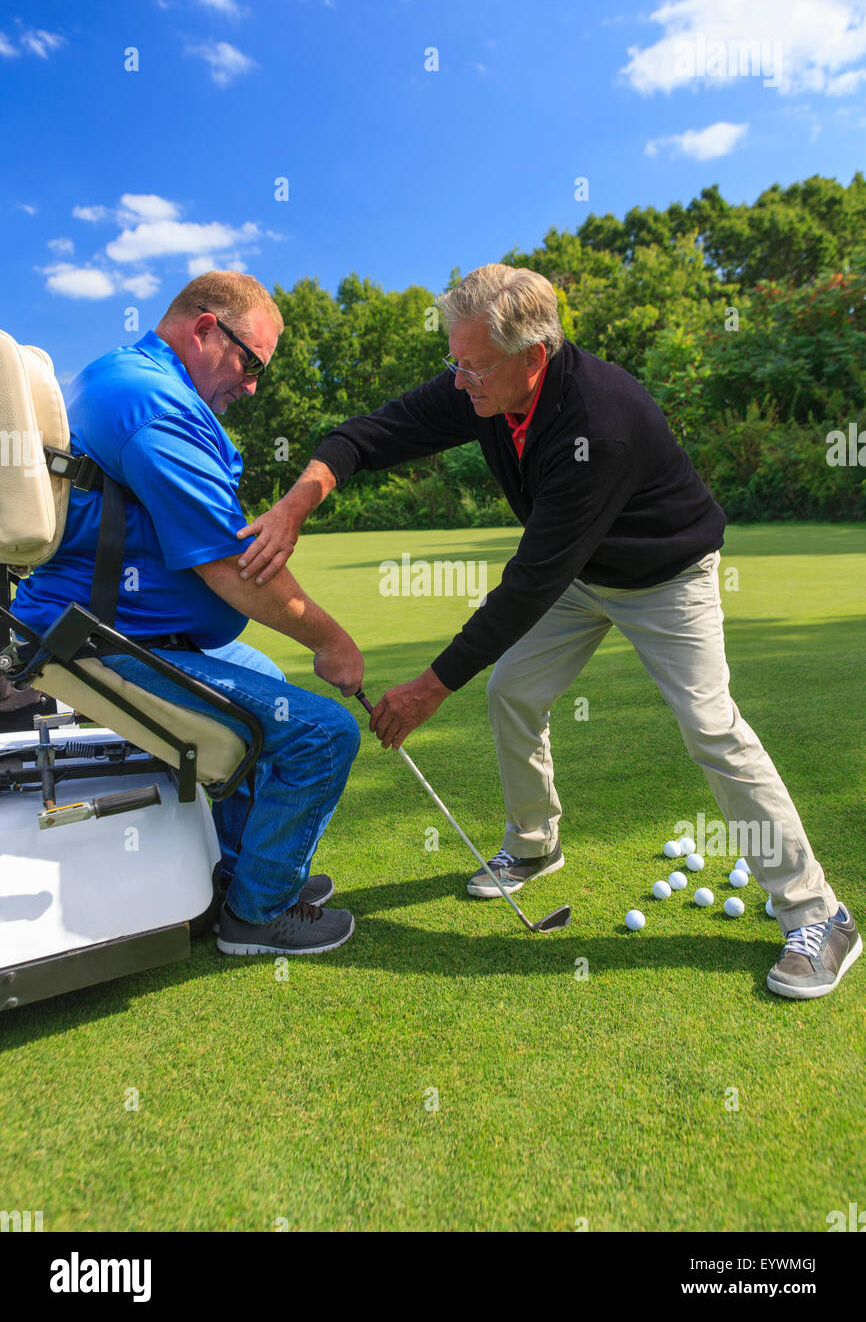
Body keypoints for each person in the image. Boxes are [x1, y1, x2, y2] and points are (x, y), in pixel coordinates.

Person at [233, 263, 861, 999]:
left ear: (533, 356)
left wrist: (430, 688)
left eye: (473, 364)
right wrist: (296, 505)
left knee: (710, 727)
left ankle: (819, 911)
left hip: (666, 576)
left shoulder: (601, 421)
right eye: (453, 360)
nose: (459, 379)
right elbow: (369, 435)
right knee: (513, 693)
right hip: (579, 573)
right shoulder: (479, 384)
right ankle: (534, 847)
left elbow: (528, 581)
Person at [12, 272, 363, 957]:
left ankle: (243, 872)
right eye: (250, 363)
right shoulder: (155, 406)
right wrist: (332, 641)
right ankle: (257, 917)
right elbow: (232, 570)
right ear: (205, 329)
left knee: (264, 676)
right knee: (322, 733)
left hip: (122, 625)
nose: (254, 385)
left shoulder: (124, 375)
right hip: (101, 638)